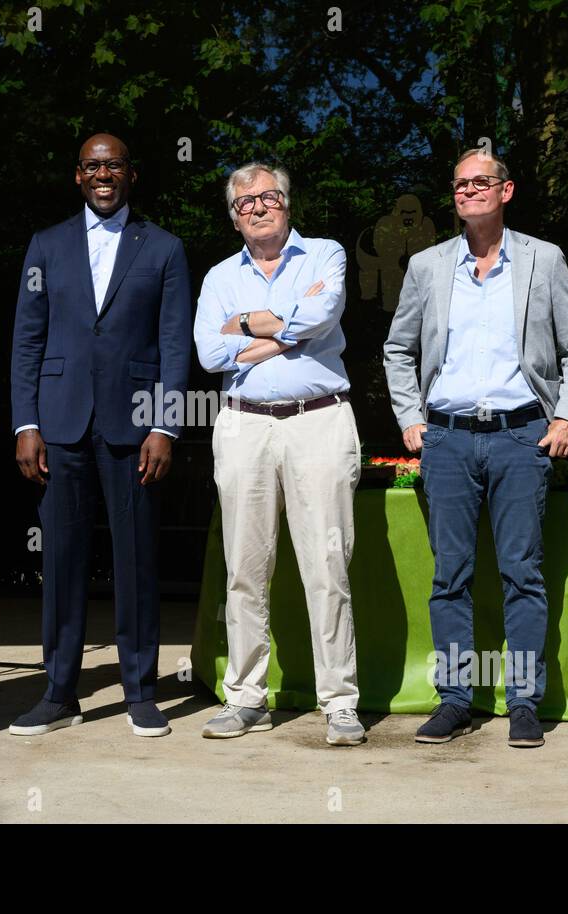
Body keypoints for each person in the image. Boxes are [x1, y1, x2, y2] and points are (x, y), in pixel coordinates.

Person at [383, 148, 568, 748]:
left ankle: (523, 702)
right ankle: (455, 700)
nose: (469, 191)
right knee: (450, 576)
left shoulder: (543, 259)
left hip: (521, 436)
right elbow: (397, 348)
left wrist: (567, 416)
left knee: (522, 574)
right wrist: (409, 417)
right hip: (447, 438)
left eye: (481, 182)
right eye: (460, 184)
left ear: (507, 190)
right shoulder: (427, 266)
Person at [9, 133, 191, 738]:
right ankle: (59, 693)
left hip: (135, 426)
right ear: (78, 175)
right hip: (59, 424)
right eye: (92, 166)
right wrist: (26, 423)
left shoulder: (164, 248)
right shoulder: (46, 244)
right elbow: (27, 340)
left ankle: (141, 692)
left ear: (130, 174)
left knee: (136, 559)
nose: (103, 175)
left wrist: (165, 423)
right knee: (61, 560)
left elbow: (173, 343)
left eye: (113, 166)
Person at [194, 162, 365, 747]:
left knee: (327, 566)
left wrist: (244, 325)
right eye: (245, 202)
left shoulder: (325, 254)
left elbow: (324, 315)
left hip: (320, 419)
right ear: (233, 217)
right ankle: (246, 699)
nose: (258, 207)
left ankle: (339, 703)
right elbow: (209, 353)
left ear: (287, 203)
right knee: (244, 568)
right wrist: (290, 330)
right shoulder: (219, 274)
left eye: (269, 197)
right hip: (244, 424)